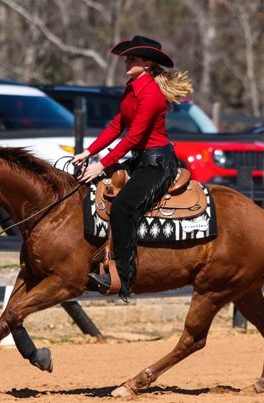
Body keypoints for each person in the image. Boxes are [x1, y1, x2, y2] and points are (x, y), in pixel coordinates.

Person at [72, 35, 193, 299]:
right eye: (127, 58)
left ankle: (124, 277)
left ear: (147, 64)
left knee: (123, 207)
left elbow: (134, 137)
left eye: (132, 58)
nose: (126, 62)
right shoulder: (132, 88)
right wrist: (88, 152)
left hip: (157, 165)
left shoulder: (151, 95)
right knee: (90, 190)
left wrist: (102, 164)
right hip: (139, 160)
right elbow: (117, 125)